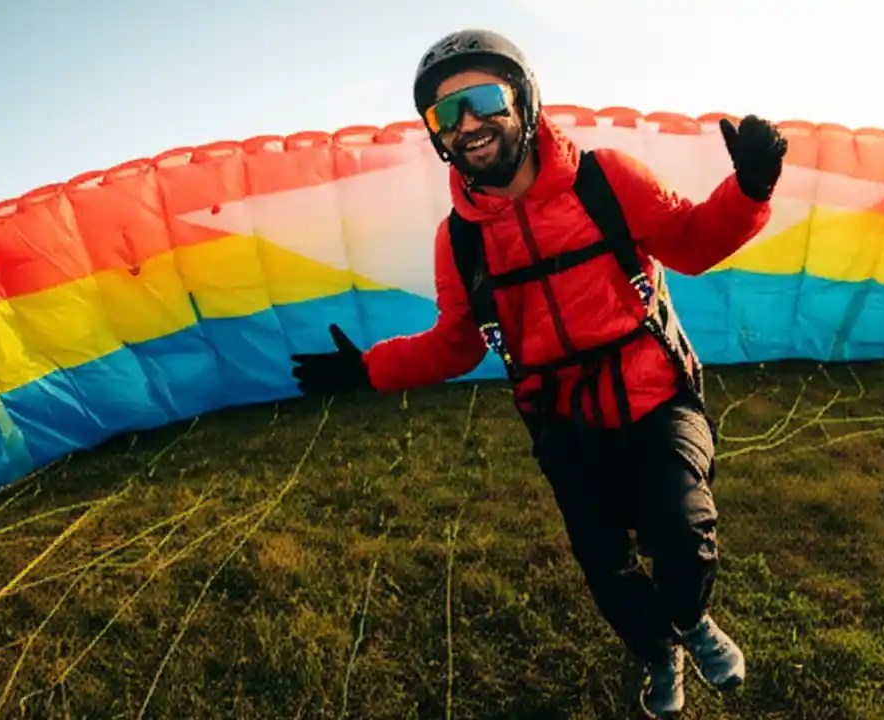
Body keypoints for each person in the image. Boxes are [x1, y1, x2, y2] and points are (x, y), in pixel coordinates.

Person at [290, 28, 787, 719]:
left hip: (655, 398)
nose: (468, 125)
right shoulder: (460, 238)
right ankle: (658, 652)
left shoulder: (607, 180)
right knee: (606, 565)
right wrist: (367, 370)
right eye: (445, 114)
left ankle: (690, 623)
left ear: (523, 101)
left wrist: (750, 188)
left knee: (680, 536)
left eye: (483, 99)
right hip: (562, 421)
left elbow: (695, 243)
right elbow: (456, 344)